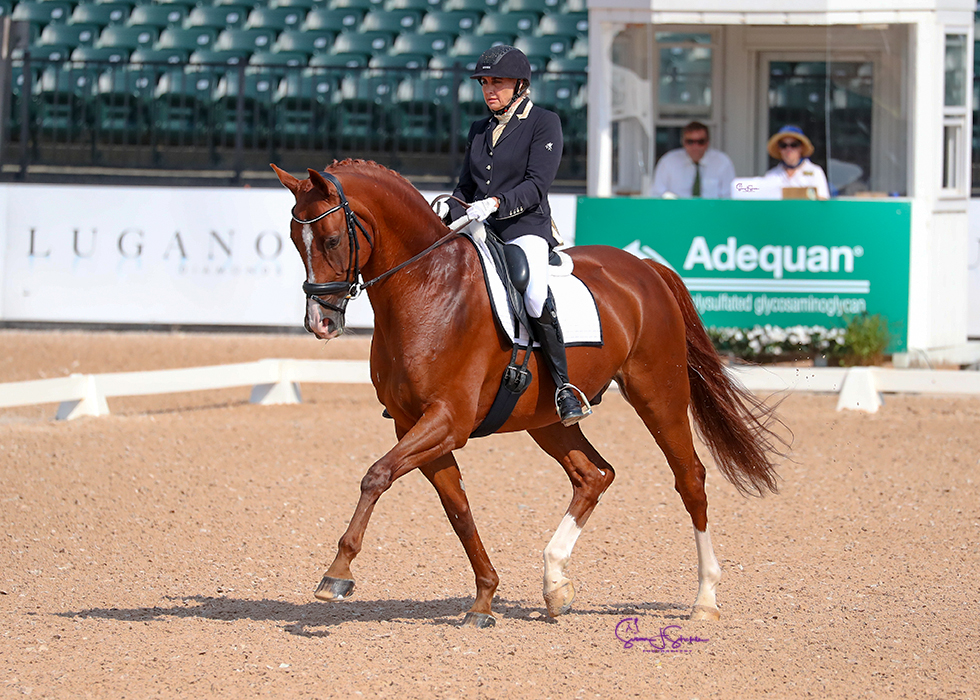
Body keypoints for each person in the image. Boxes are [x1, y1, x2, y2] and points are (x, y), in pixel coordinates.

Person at [445, 44, 590, 427]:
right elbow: (464, 186)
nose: (490, 90)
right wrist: (450, 207)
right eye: (485, 83)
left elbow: (537, 185)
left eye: (499, 83)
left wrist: (494, 203)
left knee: (533, 289)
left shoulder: (544, 122)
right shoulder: (479, 128)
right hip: (480, 225)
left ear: (520, 85)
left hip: (524, 226)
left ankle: (563, 386)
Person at [649, 121, 735, 199]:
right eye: (690, 142)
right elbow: (657, 195)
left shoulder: (722, 162)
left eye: (700, 142)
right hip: (677, 212)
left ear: (708, 142)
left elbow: (729, 196)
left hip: (712, 212)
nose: (695, 146)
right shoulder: (668, 162)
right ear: (683, 142)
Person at [761, 125, 830, 199]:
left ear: (801, 148)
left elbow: (823, 201)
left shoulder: (815, 172)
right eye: (783, 145)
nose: (788, 149)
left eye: (794, 145)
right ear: (779, 149)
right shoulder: (771, 175)